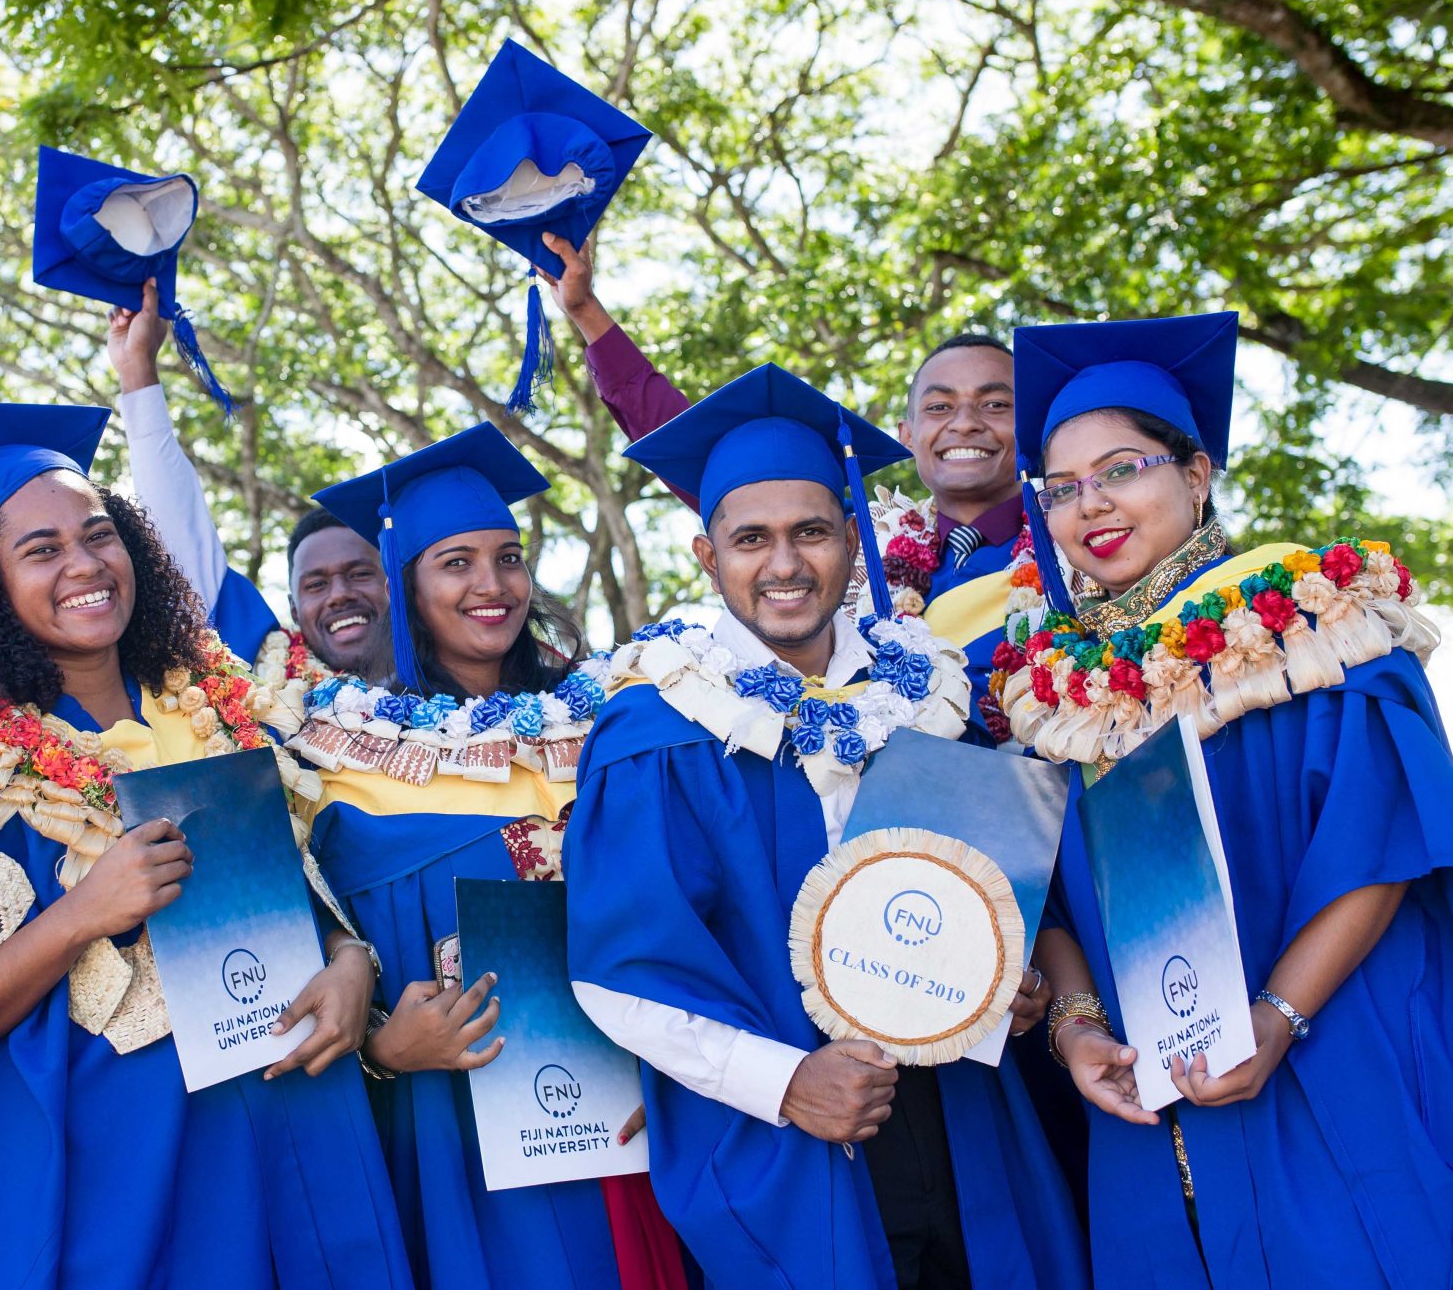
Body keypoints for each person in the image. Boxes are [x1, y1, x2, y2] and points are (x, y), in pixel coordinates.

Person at [0, 399, 411, 1290]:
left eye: (98, 533)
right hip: (117, 1189)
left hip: (295, 1128)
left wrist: (350, 965)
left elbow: (313, 899)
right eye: (41, 549)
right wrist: (79, 916)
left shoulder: (227, 725)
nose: (84, 563)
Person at [565, 361, 1088, 1288]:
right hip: (786, 1138)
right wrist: (786, 1083)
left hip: (967, 1116)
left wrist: (1015, 986)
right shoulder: (660, 726)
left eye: (811, 532)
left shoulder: (924, 698)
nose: (783, 564)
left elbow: (988, 895)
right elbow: (623, 971)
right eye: (750, 538)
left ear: (853, 538)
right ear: (706, 554)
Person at [987, 311, 1453, 1287]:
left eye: (1120, 468)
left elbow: (1380, 843)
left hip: (1332, 1053)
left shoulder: (1313, 628)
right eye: (1063, 487)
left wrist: (1278, 1013)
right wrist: (1073, 1028)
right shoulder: (1063, 694)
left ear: (1193, 475)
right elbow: (1055, 902)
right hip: (1145, 1116)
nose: (1090, 505)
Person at [291, 422, 687, 1290]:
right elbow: (322, 947)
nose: (491, 584)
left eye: (508, 556)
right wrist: (384, 1051)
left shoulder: (605, 721)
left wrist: (667, 1063)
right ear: (406, 588)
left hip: (626, 1112)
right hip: (447, 1129)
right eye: (455, 561)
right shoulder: (333, 755)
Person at [540, 235, 1036, 737]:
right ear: (906, 434)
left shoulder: (1078, 552)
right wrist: (587, 314)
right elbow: (722, 466)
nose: (965, 423)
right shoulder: (861, 540)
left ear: (1032, 424)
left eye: (996, 405)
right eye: (939, 407)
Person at [108, 277, 390, 682]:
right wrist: (137, 370)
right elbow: (180, 541)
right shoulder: (266, 691)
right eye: (316, 584)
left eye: (360, 573)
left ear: (393, 585)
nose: (340, 594)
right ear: (294, 611)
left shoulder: (464, 686)